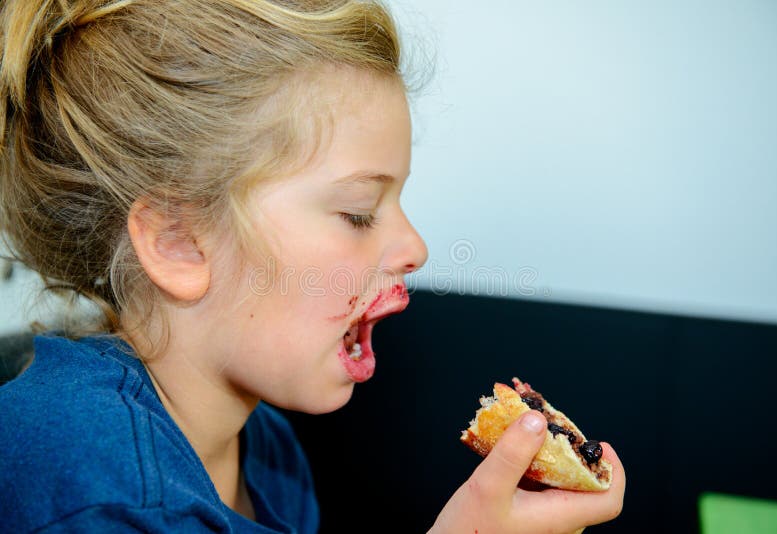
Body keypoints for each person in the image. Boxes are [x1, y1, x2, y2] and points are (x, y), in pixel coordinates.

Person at [0, 1, 625, 532]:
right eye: (358, 212)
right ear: (180, 243)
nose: (415, 246)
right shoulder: (93, 487)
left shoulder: (268, 451)